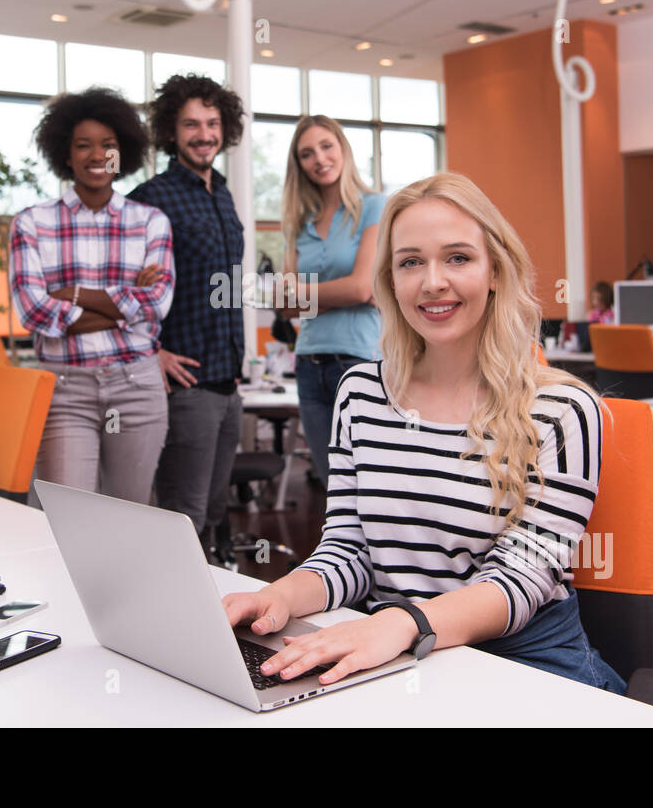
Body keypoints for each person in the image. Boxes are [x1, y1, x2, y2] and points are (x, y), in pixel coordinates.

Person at [222, 173, 626, 693]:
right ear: (389, 279)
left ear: (496, 270)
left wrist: (400, 623)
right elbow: (349, 550)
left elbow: (521, 581)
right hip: (394, 652)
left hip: (522, 663)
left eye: (457, 258)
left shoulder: (562, 409)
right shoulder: (361, 392)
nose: (432, 281)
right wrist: (281, 595)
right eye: (410, 261)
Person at [9, 87, 174, 506]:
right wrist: (126, 304)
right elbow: (33, 311)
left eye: (108, 145)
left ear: (124, 154)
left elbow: (156, 305)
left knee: (131, 515)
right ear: (65, 154)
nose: (96, 155)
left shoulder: (150, 221)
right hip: (65, 389)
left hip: (136, 384)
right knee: (69, 516)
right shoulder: (32, 223)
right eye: (83, 145)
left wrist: (74, 295)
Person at [127, 74, 246, 557]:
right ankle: (168, 624)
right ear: (171, 132)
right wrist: (150, 353)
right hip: (187, 385)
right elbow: (125, 288)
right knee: (183, 515)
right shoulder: (150, 198)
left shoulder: (223, 193)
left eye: (213, 123)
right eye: (191, 124)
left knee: (214, 512)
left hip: (228, 382)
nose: (204, 134)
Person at [279, 115, 384, 486]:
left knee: (369, 485)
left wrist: (303, 292)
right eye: (307, 154)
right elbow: (284, 304)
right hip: (309, 364)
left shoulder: (375, 206)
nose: (319, 159)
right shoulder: (298, 221)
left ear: (343, 149)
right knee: (332, 487)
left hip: (359, 361)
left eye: (326, 146)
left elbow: (361, 288)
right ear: (299, 165)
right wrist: (335, 294)